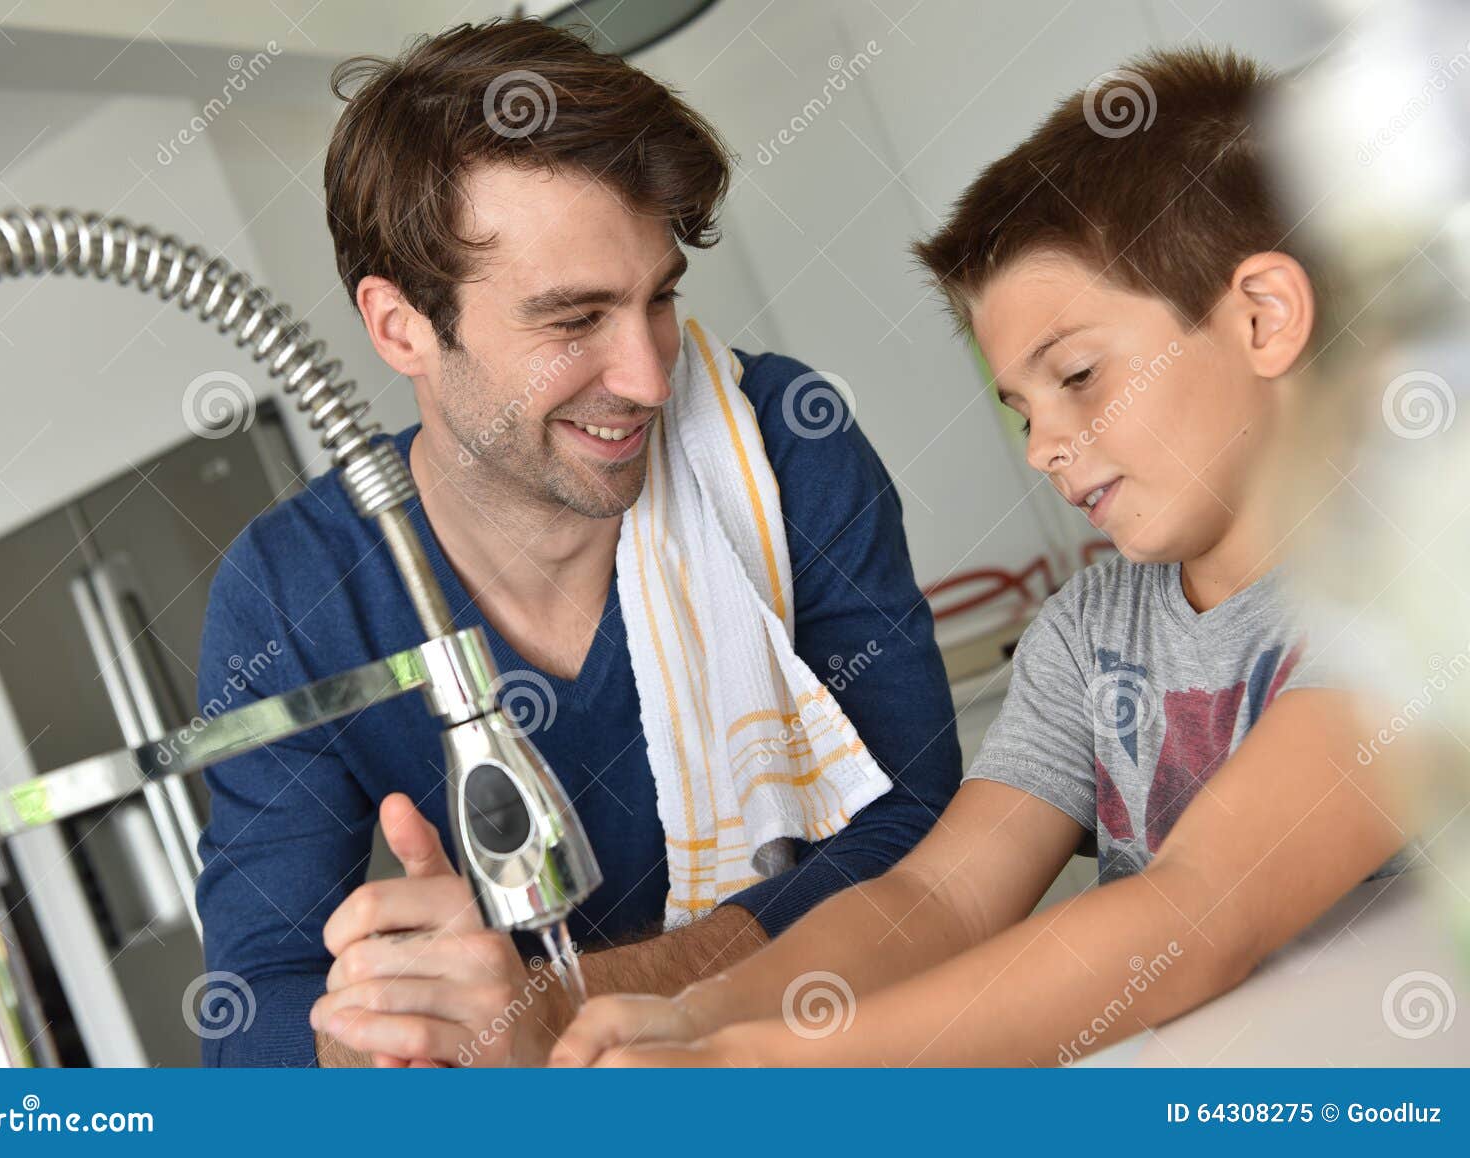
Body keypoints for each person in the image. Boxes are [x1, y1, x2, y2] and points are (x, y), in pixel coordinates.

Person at [552, 47, 1414, 1068]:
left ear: (1263, 318)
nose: (1043, 444)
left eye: (1080, 376)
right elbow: (939, 896)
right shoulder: (1088, 635)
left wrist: (770, 1067)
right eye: (1019, 407)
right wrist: (709, 1014)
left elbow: (1199, 910)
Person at [193, 18, 961, 1067]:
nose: (649, 377)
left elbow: (922, 827)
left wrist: (563, 998)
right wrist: (395, 1030)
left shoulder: (784, 443)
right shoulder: (296, 590)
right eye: (572, 321)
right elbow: (253, 1007)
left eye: (659, 299)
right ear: (400, 325)